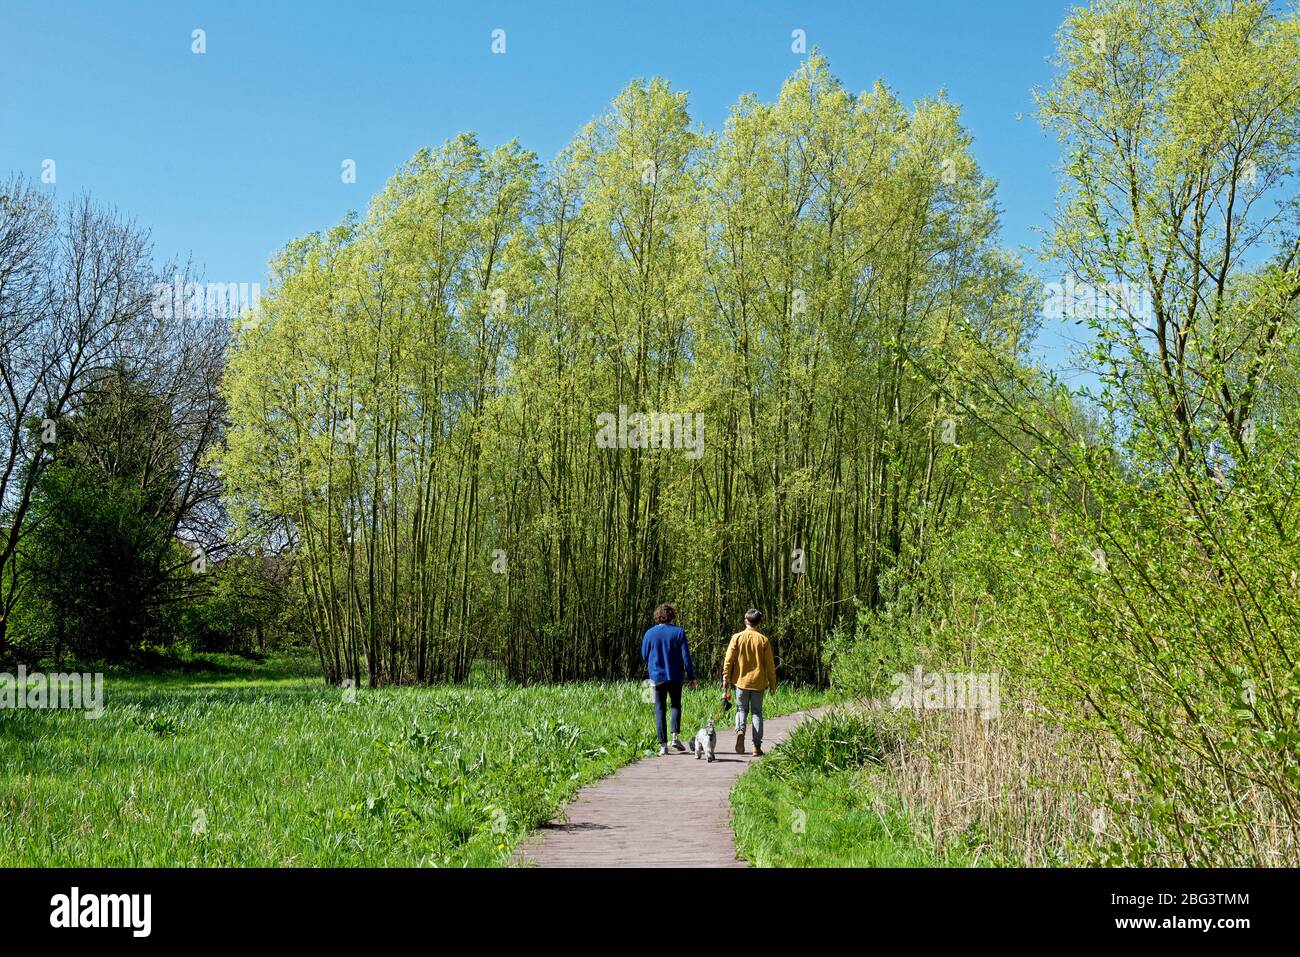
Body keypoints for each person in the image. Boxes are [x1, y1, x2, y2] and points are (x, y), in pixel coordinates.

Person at [641, 603, 696, 755]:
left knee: (659, 708)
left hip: (656, 677)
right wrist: (691, 677)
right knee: (676, 705)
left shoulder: (649, 633)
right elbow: (686, 657)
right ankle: (675, 737)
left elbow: (644, 655)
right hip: (675, 676)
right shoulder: (679, 632)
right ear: (672, 616)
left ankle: (662, 745)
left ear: (657, 616)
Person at [722, 608, 776, 755]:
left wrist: (725, 677)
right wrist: (773, 683)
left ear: (746, 621)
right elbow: (770, 665)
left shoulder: (737, 638)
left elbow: (728, 660)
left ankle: (740, 730)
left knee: (741, 710)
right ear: (759, 622)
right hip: (758, 682)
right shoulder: (763, 640)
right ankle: (756, 747)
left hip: (741, 682)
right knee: (757, 713)